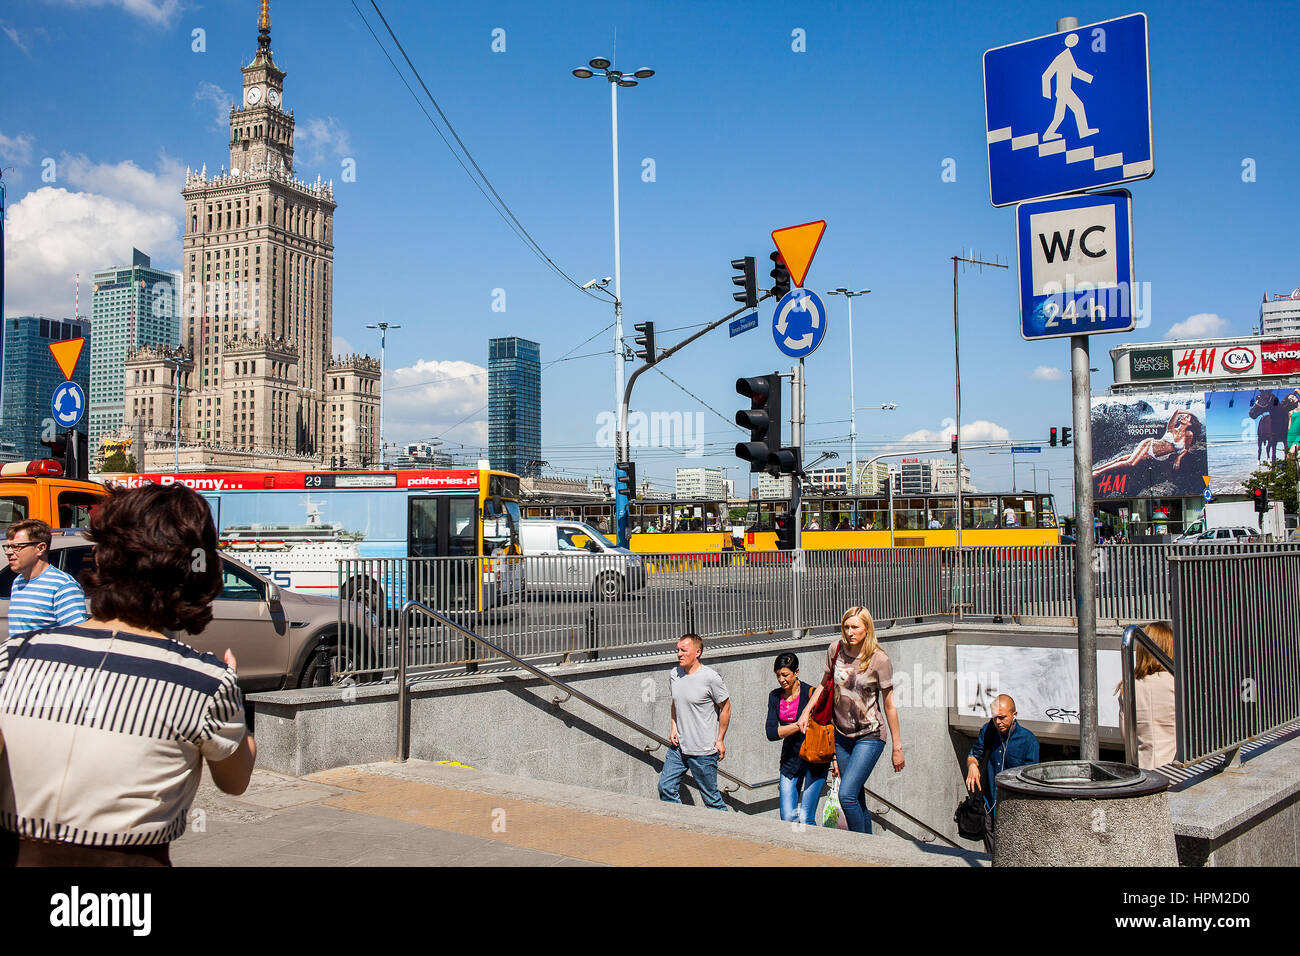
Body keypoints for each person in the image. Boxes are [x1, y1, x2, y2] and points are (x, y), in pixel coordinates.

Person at [0, 483, 256, 866]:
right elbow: (234, 781)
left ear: (102, 560)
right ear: (197, 572)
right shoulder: (205, 683)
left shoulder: (14, 656)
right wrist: (231, 696)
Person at [797, 607, 904, 833]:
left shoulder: (879, 659)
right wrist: (806, 711)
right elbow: (824, 684)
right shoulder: (835, 649)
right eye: (846, 626)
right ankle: (869, 848)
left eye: (855, 627)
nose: (849, 632)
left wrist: (897, 747)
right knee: (856, 796)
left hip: (870, 734)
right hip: (841, 735)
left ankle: (859, 847)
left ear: (867, 629)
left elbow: (889, 704)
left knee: (846, 795)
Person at [659, 634, 731, 810]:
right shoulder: (674, 674)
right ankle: (679, 827)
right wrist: (673, 727)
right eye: (677, 650)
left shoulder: (710, 678)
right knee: (666, 787)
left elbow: (726, 708)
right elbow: (675, 702)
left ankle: (730, 833)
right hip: (679, 748)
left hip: (703, 751)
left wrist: (720, 739)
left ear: (697, 652)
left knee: (712, 801)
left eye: (684, 650)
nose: (679, 654)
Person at [765, 652, 829, 824]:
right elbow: (771, 733)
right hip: (790, 761)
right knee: (787, 818)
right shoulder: (774, 696)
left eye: (785, 675)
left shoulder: (811, 694)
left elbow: (828, 727)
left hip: (815, 759)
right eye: (778, 675)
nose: (781, 679)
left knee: (805, 818)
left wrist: (836, 759)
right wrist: (798, 724)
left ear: (796, 672)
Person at [5, 519, 87, 638]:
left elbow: (76, 637)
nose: (8, 552)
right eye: (7, 547)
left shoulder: (62, 586)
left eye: (16, 547)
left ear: (40, 548)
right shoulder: (18, 582)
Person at [965, 694, 1039, 816]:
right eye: (995, 717)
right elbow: (974, 754)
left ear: (1014, 715)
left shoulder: (1028, 740)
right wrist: (972, 765)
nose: (998, 722)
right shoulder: (988, 729)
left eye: (1002, 717)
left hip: (1013, 810)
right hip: (989, 805)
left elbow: (1031, 780)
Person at [1116, 621, 1176, 769]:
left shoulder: (1128, 687)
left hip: (1143, 769)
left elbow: (1126, 735)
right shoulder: (1177, 684)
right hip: (1176, 768)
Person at [1093, 410, 1198, 479]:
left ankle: (1096, 469)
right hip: (1149, 444)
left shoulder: (1189, 434)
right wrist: (1189, 412)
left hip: (1157, 456)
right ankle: (1098, 472)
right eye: (1184, 415)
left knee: (1124, 458)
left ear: (1190, 423)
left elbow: (1185, 449)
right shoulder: (1172, 428)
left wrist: (1178, 458)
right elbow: (1177, 411)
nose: (1183, 417)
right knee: (1131, 462)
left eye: (1187, 417)